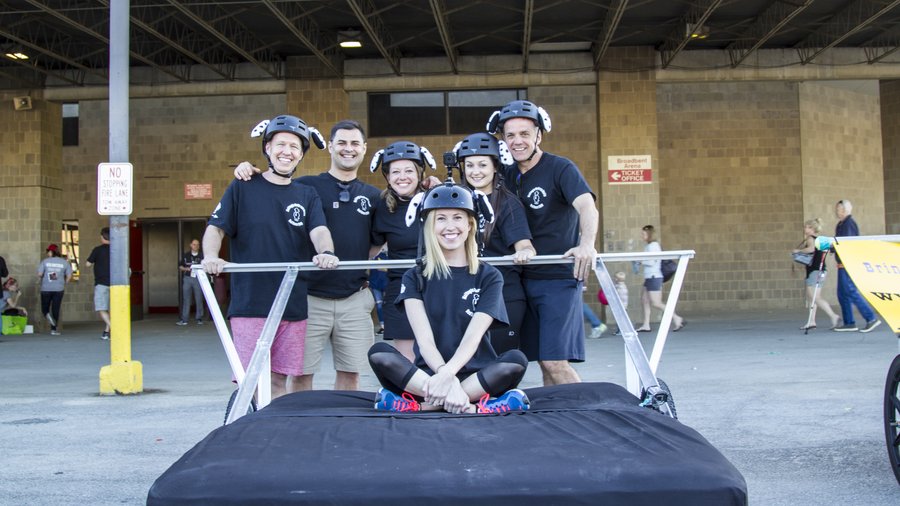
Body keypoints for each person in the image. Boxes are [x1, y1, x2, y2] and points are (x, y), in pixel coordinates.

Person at [234, 119, 382, 391]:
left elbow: (380, 240)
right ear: (330, 147)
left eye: (354, 144)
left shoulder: (374, 196)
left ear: (364, 149)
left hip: (354, 298)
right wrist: (248, 170)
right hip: (308, 298)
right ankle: (301, 429)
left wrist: (426, 184)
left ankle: (340, 426)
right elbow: (271, 186)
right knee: (300, 375)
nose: (347, 149)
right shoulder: (305, 187)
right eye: (341, 143)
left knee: (351, 374)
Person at [202, 114, 338, 399]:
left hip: (292, 303)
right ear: (267, 148)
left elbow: (320, 230)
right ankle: (251, 435)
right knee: (249, 380)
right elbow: (216, 228)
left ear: (301, 155)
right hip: (251, 302)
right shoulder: (243, 186)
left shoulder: (306, 194)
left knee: (279, 379)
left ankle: (273, 436)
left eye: (294, 147)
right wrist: (210, 256)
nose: (287, 152)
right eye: (281, 144)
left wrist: (326, 252)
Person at [367, 182, 530, 414]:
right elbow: (424, 341)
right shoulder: (415, 276)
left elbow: (473, 339)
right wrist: (443, 376)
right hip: (427, 377)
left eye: (457, 217)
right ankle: (467, 405)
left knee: (516, 360)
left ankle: (426, 406)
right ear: (429, 227)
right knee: (379, 353)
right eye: (441, 218)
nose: (450, 226)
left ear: (470, 224)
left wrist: (449, 374)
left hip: (477, 376)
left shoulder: (489, 276)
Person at [487, 100, 599, 386]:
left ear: (539, 134)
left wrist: (587, 244)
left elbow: (587, 206)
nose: (517, 141)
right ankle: (558, 418)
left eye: (524, 134)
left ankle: (587, 415)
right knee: (541, 360)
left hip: (557, 279)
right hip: (521, 280)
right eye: (510, 135)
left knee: (554, 361)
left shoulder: (560, 168)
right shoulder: (507, 175)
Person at [454, 132, 535, 353]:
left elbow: (525, 246)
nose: (475, 171)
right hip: (464, 295)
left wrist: (525, 253)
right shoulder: (456, 202)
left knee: (497, 369)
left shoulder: (508, 204)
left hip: (504, 297)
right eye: (469, 165)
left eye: (482, 165)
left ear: (495, 167)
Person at [370, 140, 437, 362]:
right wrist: (355, 275)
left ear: (420, 174)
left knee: (441, 356)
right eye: (395, 171)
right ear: (387, 177)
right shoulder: (382, 207)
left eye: (409, 170)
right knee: (407, 363)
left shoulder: (437, 199)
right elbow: (372, 248)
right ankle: (410, 398)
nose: (402, 177)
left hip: (439, 285)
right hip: (401, 288)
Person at [832, 200, 881, 333]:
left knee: (850, 290)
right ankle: (849, 322)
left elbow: (847, 243)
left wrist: (834, 246)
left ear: (846, 210)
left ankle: (871, 318)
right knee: (842, 293)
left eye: (840, 209)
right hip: (841, 262)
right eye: (837, 209)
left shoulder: (849, 224)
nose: (838, 212)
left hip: (848, 262)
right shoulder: (841, 224)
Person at [792, 218, 840, 330]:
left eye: (807, 227)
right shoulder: (820, 240)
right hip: (822, 270)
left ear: (812, 229)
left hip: (814, 271)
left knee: (815, 297)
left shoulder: (810, 239)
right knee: (813, 298)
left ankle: (833, 316)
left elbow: (811, 249)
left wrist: (798, 251)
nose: (805, 229)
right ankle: (811, 321)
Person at [635, 225, 685, 333]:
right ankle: (646, 324)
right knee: (644, 300)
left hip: (654, 276)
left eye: (643, 234)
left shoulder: (653, 246)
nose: (642, 236)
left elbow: (652, 261)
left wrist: (640, 261)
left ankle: (676, 318)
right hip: (649, 277)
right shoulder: (649, 246)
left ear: (649, 234)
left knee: (656, 302)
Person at [37, 243, 72, 335]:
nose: (47, 253)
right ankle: (54, 329)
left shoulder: (45, 261)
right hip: (59, 289)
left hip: (46, 288)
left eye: (48, 251)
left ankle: (48, 317)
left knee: (45, 309)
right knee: (56, 308)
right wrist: (64, 283)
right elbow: (69, 275)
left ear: (51, 252)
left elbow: (40, 274)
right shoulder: (64, 262)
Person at [85, 227, 111, 340]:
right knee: (112, 309)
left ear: (102, 237)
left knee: (101, 308)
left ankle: (112, 327)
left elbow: (87, 264)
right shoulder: (118, 249)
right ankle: (106, 332)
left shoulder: (97, 250)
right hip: (116, 284)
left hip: (101, 283)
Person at [177, 239, 205, 326]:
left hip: (198, 278)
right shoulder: (186, 255)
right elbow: (180, 266)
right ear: (190, 245)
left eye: (197, 245)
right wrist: (186, 269)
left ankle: (199, 318)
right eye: (194, 244)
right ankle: (184, 319)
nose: (196, 246)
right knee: (186, 299)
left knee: (199, 298)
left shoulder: (202, 256)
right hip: (188, 278)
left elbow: (206, 266)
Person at [369, 249, 388, 335]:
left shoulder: (389, 252)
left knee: (389, 304)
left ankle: (390, 326)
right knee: (379, 305)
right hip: (375, 283)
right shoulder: (373, 253)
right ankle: (383, 327)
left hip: (388, 282)